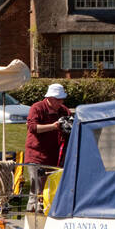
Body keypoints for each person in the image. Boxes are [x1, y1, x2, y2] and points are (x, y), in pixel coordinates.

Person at [25, 83, 73, 212]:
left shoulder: (64, 110)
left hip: (55, 156)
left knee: (51, 187)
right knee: (36, 188)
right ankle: (32, 212)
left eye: (62, 99)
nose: (61, 102)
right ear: (50, 98)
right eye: (58, 99)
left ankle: (49, 211)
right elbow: (32, 127)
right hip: (36, 155)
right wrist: (54, 126)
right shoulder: (37, 108)